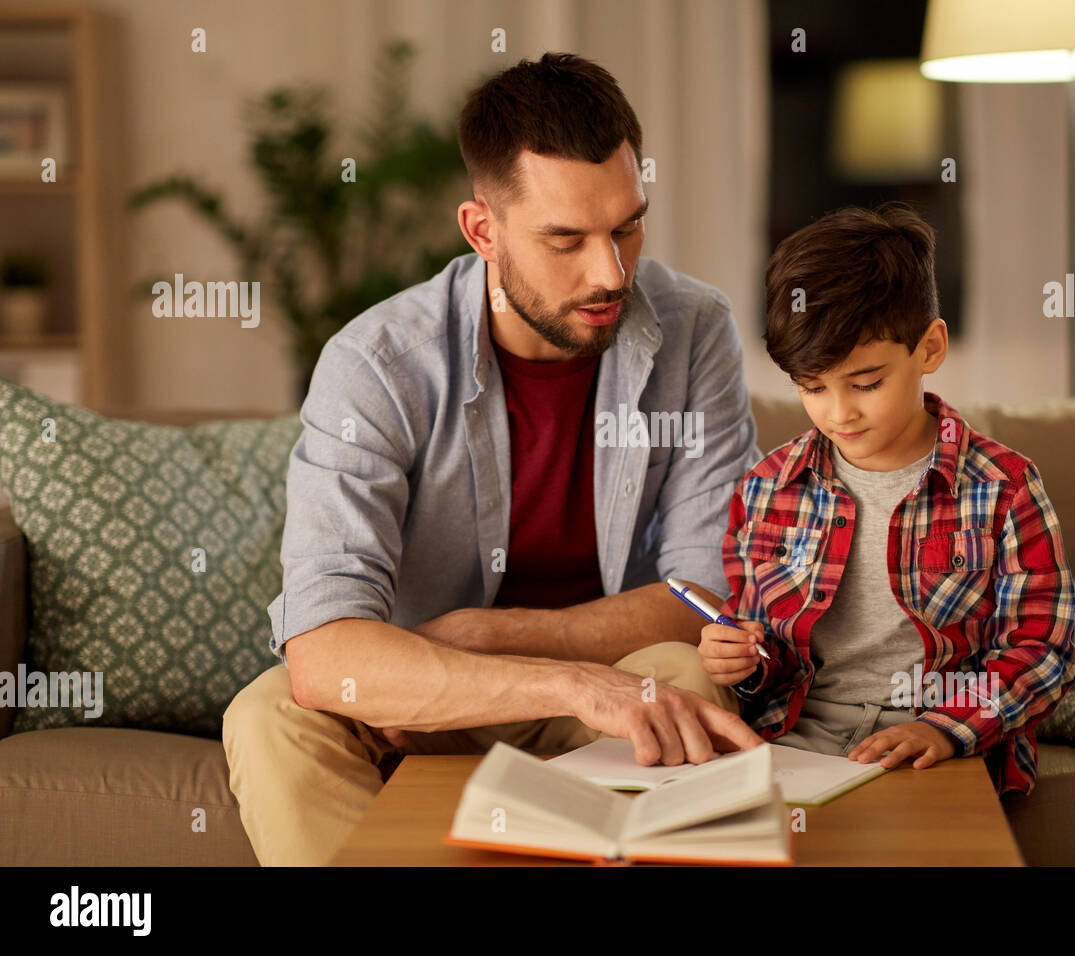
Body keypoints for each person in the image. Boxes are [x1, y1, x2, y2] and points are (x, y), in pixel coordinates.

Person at [223, 52, 763, 866]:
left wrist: (494, 633)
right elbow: (328, 650)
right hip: (425, 693)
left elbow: (705, 597)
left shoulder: (695, 331)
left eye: (626, 227)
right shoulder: (374, 364)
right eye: (566, 239)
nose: (609, 272)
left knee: (680, 673)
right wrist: (557, 676)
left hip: (606, 682)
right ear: (483, 230)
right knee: (268, 716)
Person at [697, 203, 1075, 796]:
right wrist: (741, 661)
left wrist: (947, 728)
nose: (838, 412)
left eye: (866, 383)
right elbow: (768, 649)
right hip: (797, 740)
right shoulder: (768, 490)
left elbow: (1041, 651)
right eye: (812, 388)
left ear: (929, 348)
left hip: (946, 742)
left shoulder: (1004, 486)